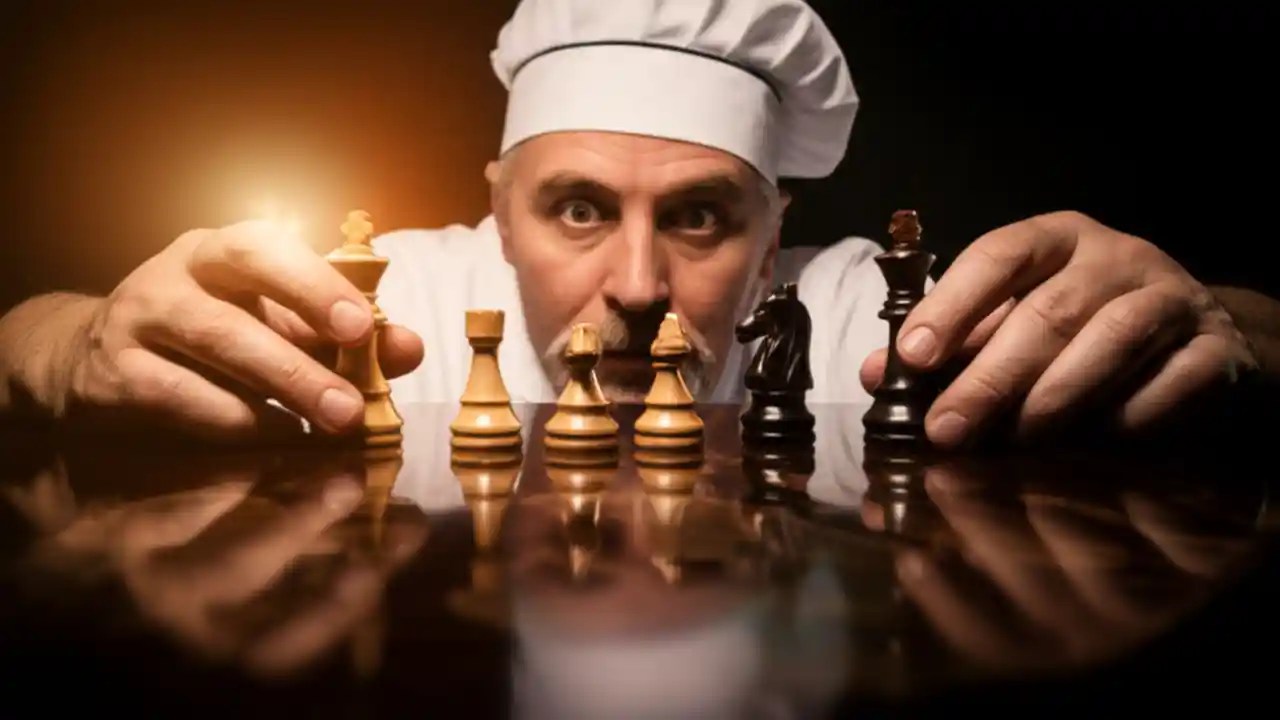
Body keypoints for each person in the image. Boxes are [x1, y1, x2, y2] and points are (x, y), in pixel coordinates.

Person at [0, 0, 1275, 450]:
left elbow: (1247, 329)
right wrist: (67, 346)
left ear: (778, 239)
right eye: (574, 208)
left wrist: (1228, 336)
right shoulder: (382, 294)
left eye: (704, 217)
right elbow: (30, 333)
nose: (637, 283)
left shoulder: (867, 320)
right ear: (492, 209)